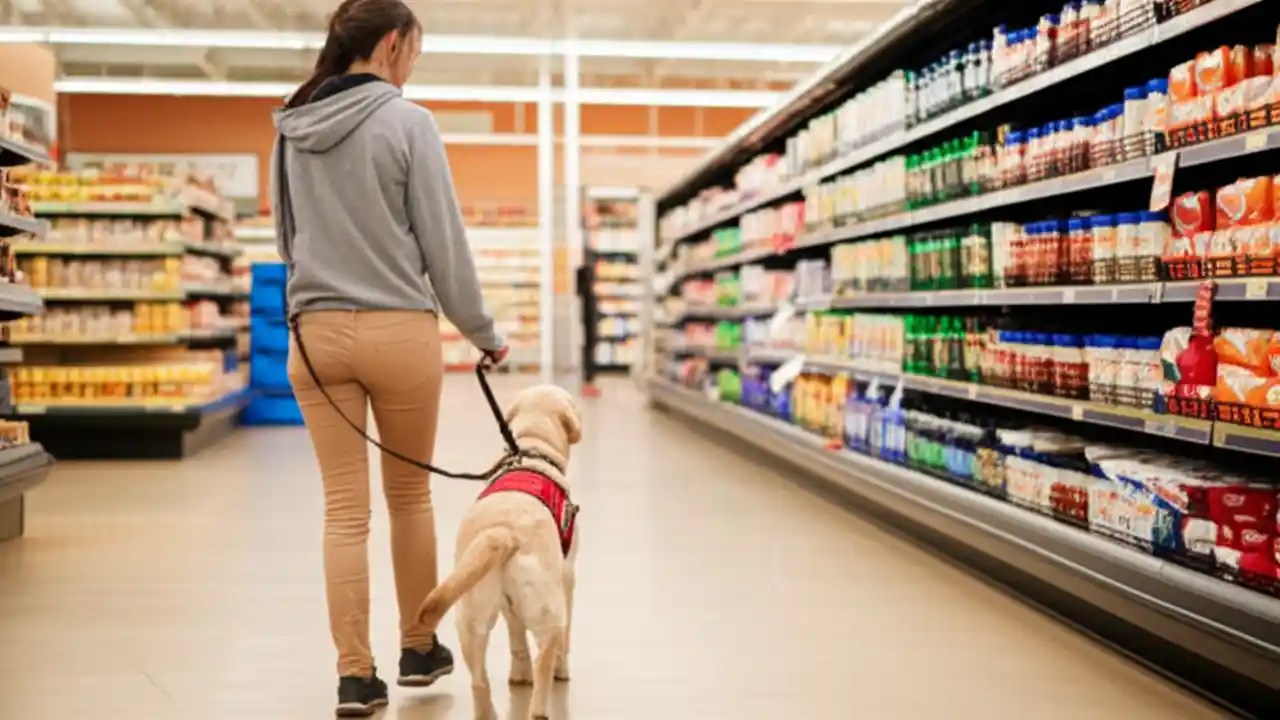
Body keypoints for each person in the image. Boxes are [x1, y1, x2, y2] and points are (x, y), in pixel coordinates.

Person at [270, 0, 506, 715]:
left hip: (314, 335)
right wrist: (483, 331)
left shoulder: (290, 122)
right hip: (399, 331)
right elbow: (443, 245)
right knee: (409, 497)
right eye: (414, 54)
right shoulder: (409, 121)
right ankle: (417, 645)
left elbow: (288, 239)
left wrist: (308, 308)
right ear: (394, 44)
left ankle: (353, 674)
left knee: (344, 513)